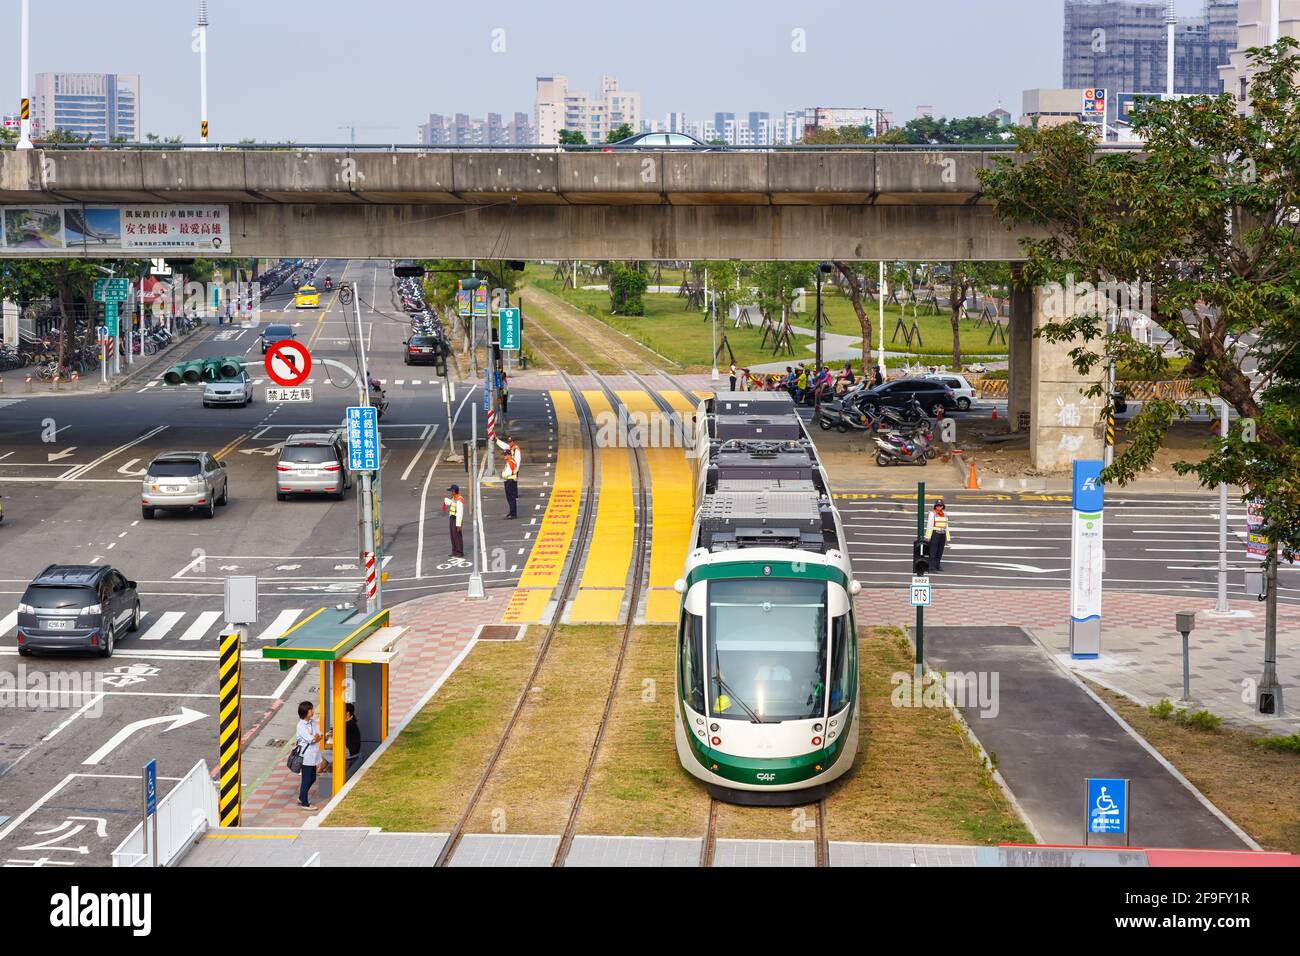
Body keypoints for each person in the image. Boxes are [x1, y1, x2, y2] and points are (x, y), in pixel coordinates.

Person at [295, 701, 326, 810]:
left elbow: (320, 735)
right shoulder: (301, 726)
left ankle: (301, 797)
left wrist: (316, 737)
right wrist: (315, 737)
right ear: (306, 712)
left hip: (313, 755)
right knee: (307, 779)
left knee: (312, 778)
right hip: (306, 757)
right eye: (311, 709)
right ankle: (304, 802)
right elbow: (312, 739)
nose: (313, 711)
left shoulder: (313, 722)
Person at [924, 499, 952, 573]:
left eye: (941, 506)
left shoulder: (944, 514)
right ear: (935, 506)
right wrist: (928, 536)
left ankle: (937, 565)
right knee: (933, 551)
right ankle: (931, 567)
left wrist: (948, 536)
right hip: (935, 534)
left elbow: (946, 526)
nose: (939, 507)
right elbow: (929, 525)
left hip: (942, 534)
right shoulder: (932, 513)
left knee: (940, 551)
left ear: (943, 506)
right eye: (938, 505)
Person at [497, 435, 521, 518]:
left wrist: (505, 475)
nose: (503, 456)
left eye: (504, 455)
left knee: (511, 497)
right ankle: (511, 512)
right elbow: (504, 445)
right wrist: (497, 440)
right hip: (509, 479)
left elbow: (510, 472)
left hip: (509, 480)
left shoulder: (513, 456)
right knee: (510, 498)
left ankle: (513, 513)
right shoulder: (510, 454)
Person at [442, 483, 465, 558]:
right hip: (452, 518)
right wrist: (446, 501)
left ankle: (460, 552)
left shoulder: (459, 500)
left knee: (457, 536)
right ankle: (454, 551)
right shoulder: (454, 498)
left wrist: (458, 525)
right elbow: (451, 504)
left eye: (452, 491)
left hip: (456, 519)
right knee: (452, 535)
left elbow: (460, 513)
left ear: (454, 491)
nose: (451, 492)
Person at [344, 702, 361, 776]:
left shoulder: (349, 724)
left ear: (347, 713)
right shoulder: (351, 722)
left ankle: (318, 774)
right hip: (351, 749)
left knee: (325, 754)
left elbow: (337, 733)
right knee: (325, 753)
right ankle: (319, 773)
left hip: (350, 751)